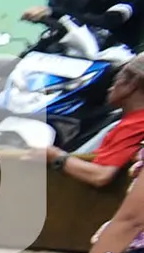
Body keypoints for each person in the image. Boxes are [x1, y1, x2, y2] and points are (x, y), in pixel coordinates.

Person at [46, 59, 144, 188]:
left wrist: (54, 155)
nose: (110, 89)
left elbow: (100, 175)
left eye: (115, 81)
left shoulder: (135, 123)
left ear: (131, 84)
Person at [26, 0, 144, 50]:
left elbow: (110, 20)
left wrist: (54, 12)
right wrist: (47, 14)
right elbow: (64, 28)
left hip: (117, 67)